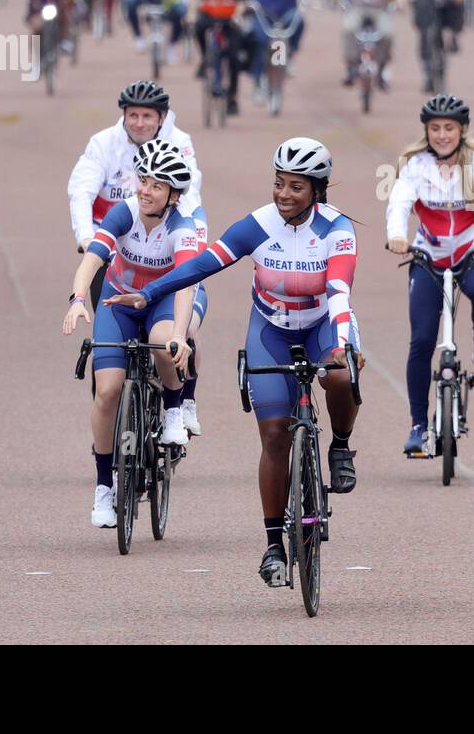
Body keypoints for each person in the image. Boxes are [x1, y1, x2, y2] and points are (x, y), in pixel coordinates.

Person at [105, 138, 364, 588]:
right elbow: (204, 264)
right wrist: (148, 293)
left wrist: (341, 341)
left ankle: (340, 445)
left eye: (296, 187)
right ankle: (272, 547)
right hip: (271, 330)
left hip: (324, 323)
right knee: (274, 435)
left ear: (317, 192)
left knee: (339, 376)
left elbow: (340, 291)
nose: (284, 194)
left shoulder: (337, 229)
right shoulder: (257, 225)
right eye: (279, 184)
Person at [63, 140, 199, 529]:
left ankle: (173, 408)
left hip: (160, 302)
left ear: (173, 196)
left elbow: (187, 285)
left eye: (156, 185)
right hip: (117, 303)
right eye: (143, 180)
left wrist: (179, 334)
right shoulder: (124, 213)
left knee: (163, 344)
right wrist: (77, 299)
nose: (144, 190)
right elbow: (94, 258)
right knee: (106, 390)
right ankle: (104, 486)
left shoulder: (182, 229)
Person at [67, 79, 207, 433]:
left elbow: (191, 196)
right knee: (109, 345)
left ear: (161, 118)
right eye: (133, 115)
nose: (140, 123)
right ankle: (111, 423)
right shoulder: (103, 143)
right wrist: (86, 237)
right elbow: (81, 190)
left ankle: (183, 399)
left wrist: (186, 240)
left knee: (182, 325)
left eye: (147, 116)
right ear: (124, 116)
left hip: (166, 239)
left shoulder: (180, 143)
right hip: (114, 244)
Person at [386, 96, 474, 456]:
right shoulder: (415, 165)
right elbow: (399, 203)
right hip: (428, 255)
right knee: (422, 341)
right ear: (426, 131)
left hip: (472, 249)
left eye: (449, 128)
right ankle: (418, 427)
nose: (442, 135)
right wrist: (396, 236)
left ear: (462, 131)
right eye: (435, 128)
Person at [188, 0, 247, 112]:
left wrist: (237, 15)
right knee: (197, 28)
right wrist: (191, 14)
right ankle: (206, 58)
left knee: (234, 57)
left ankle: (232, 98)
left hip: (230, 18)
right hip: (209, 15)